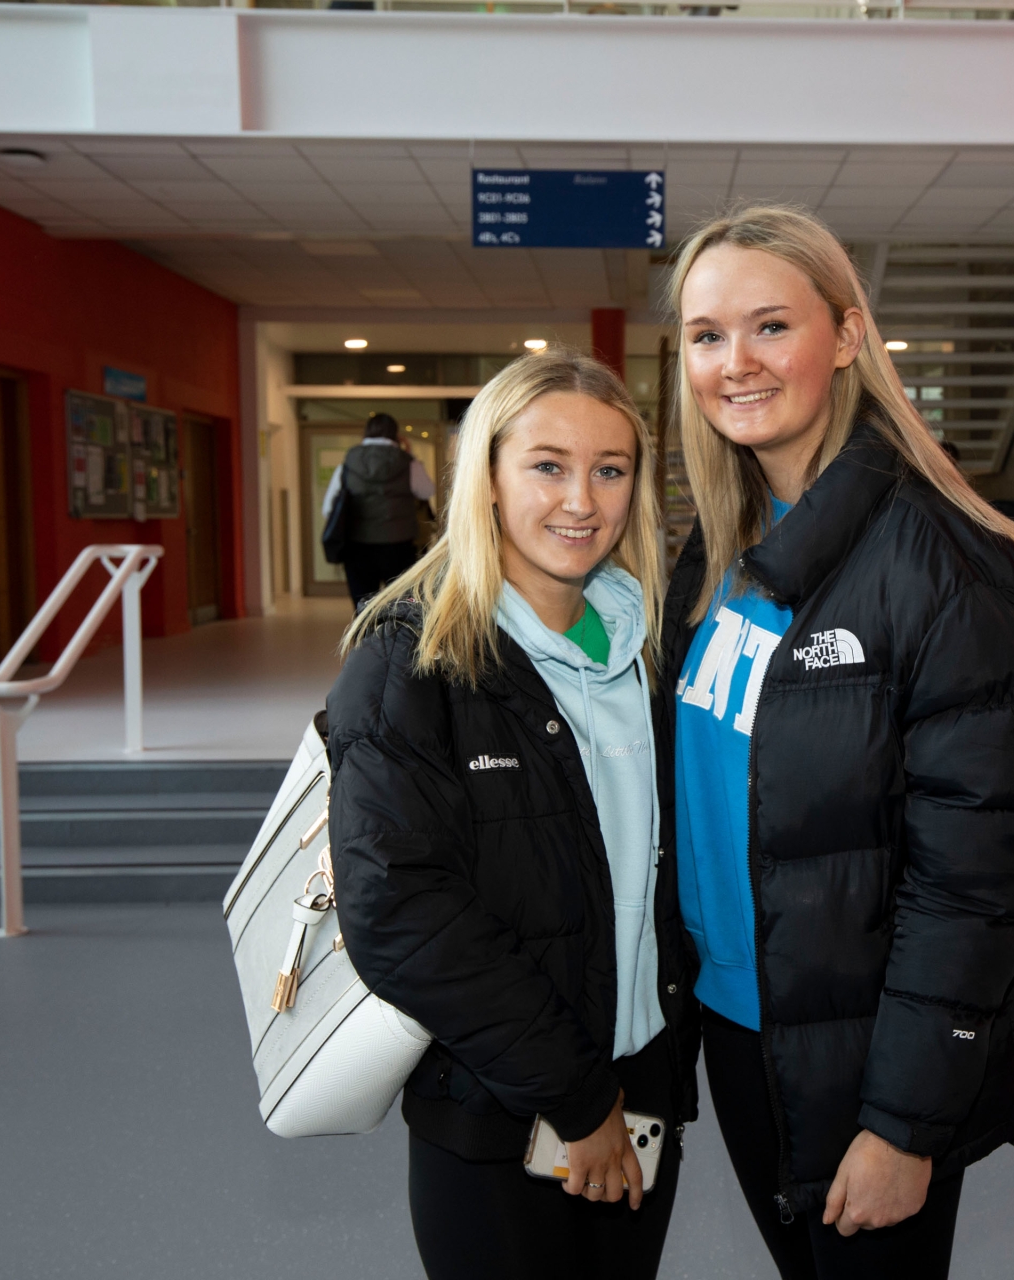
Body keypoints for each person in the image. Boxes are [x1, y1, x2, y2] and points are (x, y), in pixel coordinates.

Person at [662, 205, 1014, 1280]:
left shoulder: (944, 561)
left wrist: (903, 1122)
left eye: (769, 326)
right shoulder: (716, 546)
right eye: (706, 335)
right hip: (741, 1024)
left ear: (847, 337)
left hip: (865, 1051)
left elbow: (983, 878)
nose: (734, 363)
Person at [326, 350, 697, 1280]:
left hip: (642, 1081)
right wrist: (579, 1100)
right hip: (499, 1108)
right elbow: (401, 912)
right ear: (484, 479)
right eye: (547, 466)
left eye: (610, 470)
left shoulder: (656, 644)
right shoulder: (410, 656)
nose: (582, 500)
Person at [323, 411, 437, 608]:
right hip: (398, 546)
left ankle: (368, 638)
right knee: (401, 607)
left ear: (366, 433)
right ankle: (395, 639)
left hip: (357, 547)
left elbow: (328, 508)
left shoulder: (349, 463)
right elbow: (427, 490)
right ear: (396, 435)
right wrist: (409, 454)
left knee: (364, 609)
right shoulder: (407, 462)